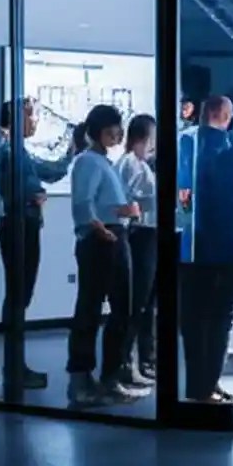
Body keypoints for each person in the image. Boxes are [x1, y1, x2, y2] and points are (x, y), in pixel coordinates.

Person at [178, 95, 233, 404]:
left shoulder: (180, 146)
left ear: (201, 115)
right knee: (221, 318)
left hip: (188, 247)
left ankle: (193, 386)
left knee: (191, 317)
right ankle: (209, 385)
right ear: (227, 117)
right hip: (229, 245)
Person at [0, 98, 75, 389]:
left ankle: (16, 365)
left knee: (19, 295)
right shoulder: (8, 151)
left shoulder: (17, 150)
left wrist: (73, 148)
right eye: (31, 115)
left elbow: (51, 171)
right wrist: (33, 195)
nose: (35, 121)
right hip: (19, 226)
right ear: (16, 118)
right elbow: (16, 186)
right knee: (18, 294)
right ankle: (15, 367)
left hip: (23, 225)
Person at [66, 104, 144, 407]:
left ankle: (111, 377)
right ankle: (83, 380)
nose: (117, 133)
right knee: (90, 308)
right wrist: (101, 228)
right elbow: (83, 204)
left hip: (112, 235)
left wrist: (124, 211)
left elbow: (100, 202)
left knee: (119, 309)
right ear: (98, 129)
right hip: (102, 240)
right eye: (112, 127)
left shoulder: (102, 161)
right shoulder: (88, 161)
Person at [115, 113, 159, 385]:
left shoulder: (140, 163)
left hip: (148, 235)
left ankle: (144, 360)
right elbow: (127, 202)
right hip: (141, 235)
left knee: (147, 302)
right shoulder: (130, 164)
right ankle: (127, 363)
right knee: (138, 301)